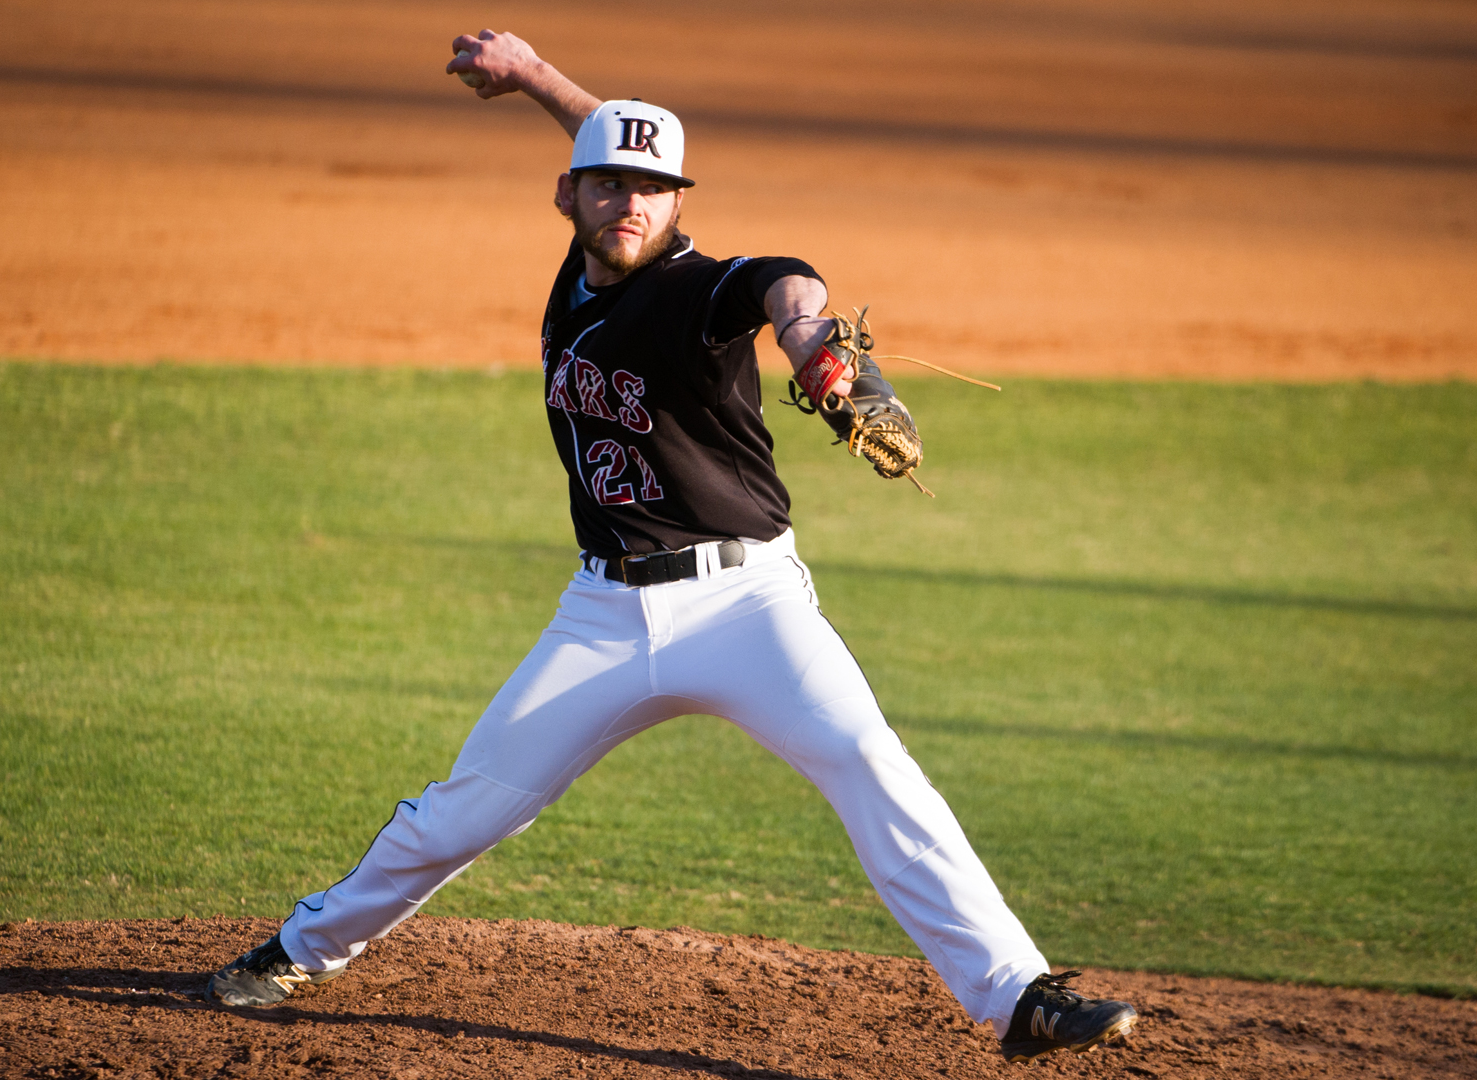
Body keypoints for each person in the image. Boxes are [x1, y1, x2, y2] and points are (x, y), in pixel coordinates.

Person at [208, 28, 1137, 1065]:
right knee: (465, 812)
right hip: (603, 615)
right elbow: (607, 140)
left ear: (680, 203)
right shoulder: (584, 271)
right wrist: (528, 78)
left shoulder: (697, 287)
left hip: (751, 610)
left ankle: (1018, 997)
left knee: (874, 766)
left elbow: (779, 280)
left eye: (654, 189)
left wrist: (810, 340)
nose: (632, 203)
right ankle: (299, 948)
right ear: (570, 198)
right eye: (609, 186)